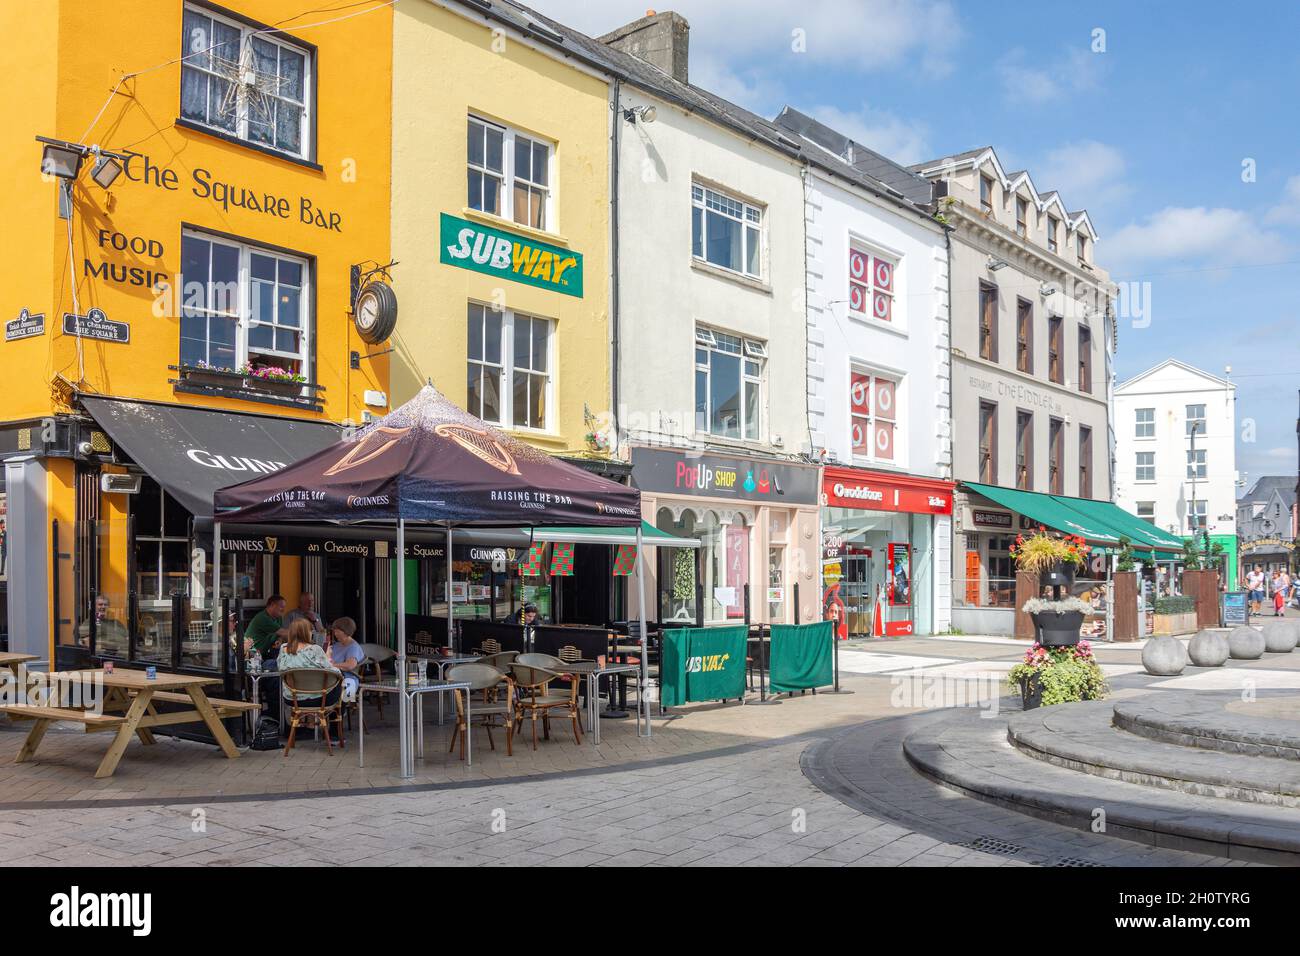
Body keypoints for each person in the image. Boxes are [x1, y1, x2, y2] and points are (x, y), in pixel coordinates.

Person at [277, 618, 341, 708]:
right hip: (319, 699)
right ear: (306, 632)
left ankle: (310, 721)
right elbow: (331, 671)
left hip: (292, 699)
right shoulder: (314, 649)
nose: (312, 633)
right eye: (311, 631)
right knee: (341, 682)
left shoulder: (283, 649)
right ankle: (335, 719)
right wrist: (328, 658)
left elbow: (280, 668)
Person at [326, 617, 365, 700]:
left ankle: (336, 710)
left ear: (345, 631)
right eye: (334, 631)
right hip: (333, 679)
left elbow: (350, 665)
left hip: (348, 681)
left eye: (337, 631)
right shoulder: (336, 645)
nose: (335, 633)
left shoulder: (353, 647)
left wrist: (332, 665)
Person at [246, 595, 289, 663]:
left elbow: (281, 635)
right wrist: (303, 634)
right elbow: (284, 633)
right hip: (253, 657)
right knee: (284, 663)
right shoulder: (263, 618)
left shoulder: (278, 617)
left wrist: (279, 640)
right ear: (272, 605)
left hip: (268, 653)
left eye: (284, 607)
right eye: (281, 607)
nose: (283, 610)